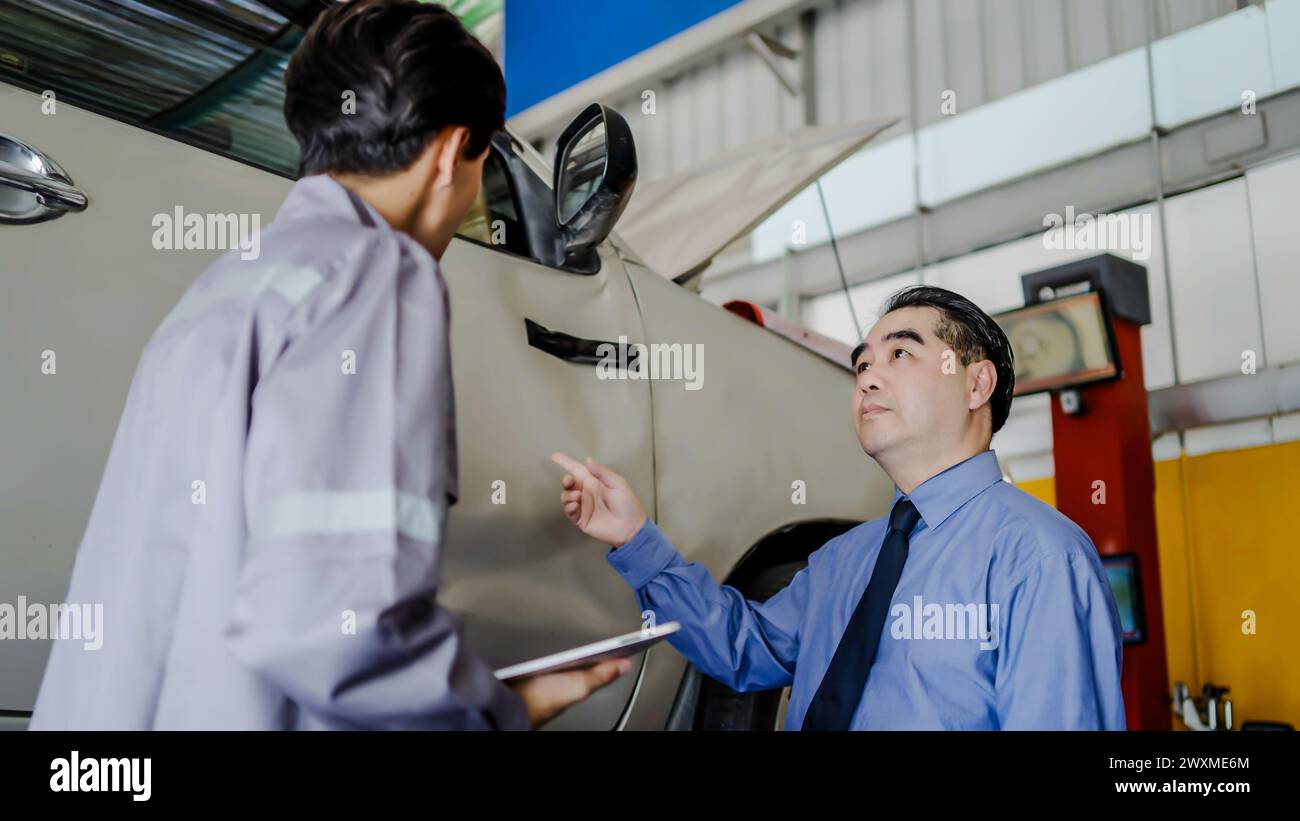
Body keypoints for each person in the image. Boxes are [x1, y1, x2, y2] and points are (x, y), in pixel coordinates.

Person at [31, 0, 627, 731]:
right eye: (479, 166)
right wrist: (499, 707)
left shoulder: (224, 288)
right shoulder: (380, 272)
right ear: (449, 153)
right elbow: (328, 622)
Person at [553, 285, 1126, 730]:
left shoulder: (1040, 558)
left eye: (900, 353)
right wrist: (634, 539)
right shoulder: (841, 562)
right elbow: (742, 647)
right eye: (862, 365)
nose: (870, 376)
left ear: (976, 385)